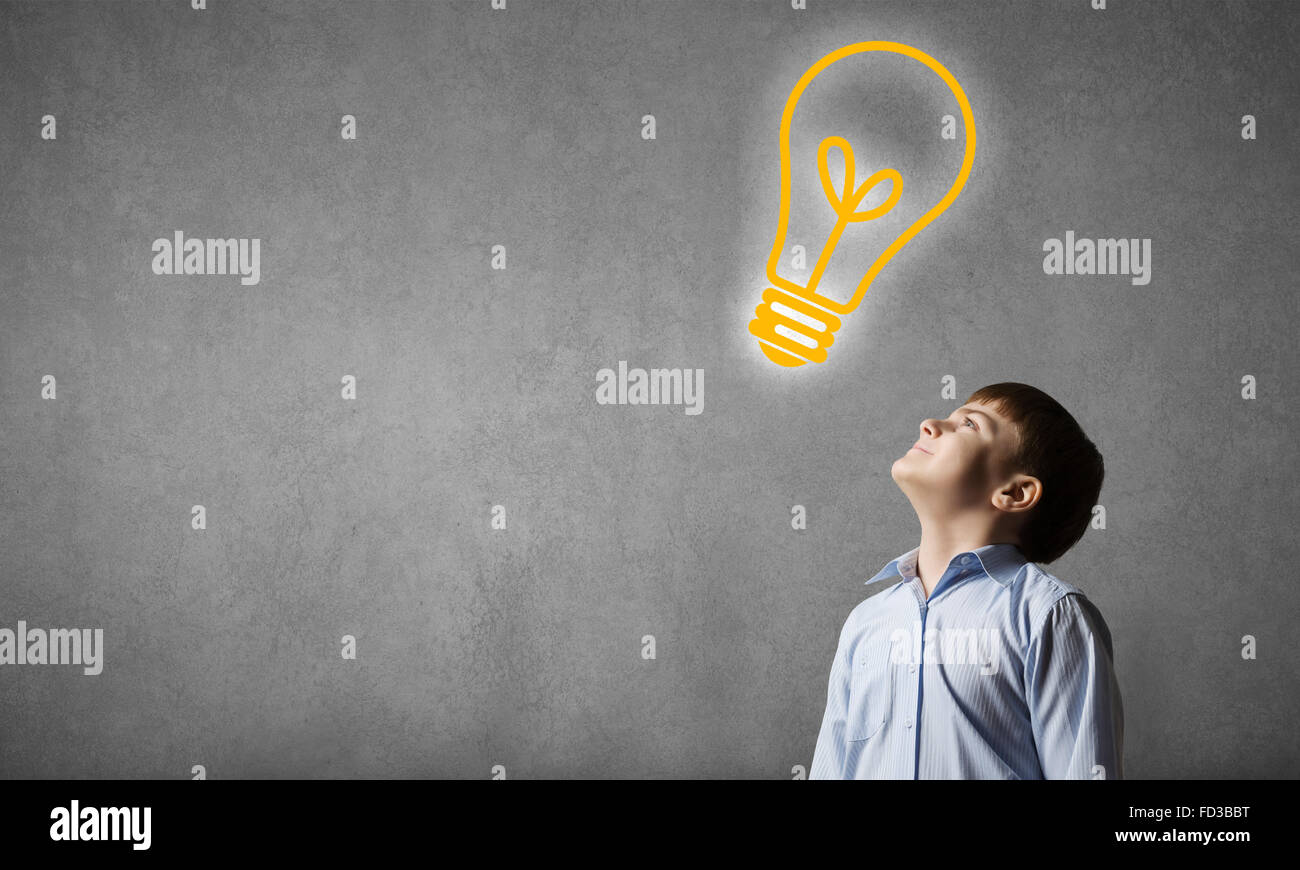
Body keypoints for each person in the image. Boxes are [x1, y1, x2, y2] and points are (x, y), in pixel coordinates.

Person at [810, 382, 1123, 779]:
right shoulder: (865, 622)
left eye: (970, 424)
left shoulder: (1048, 615)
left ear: (1015, 492)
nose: (929, 424)